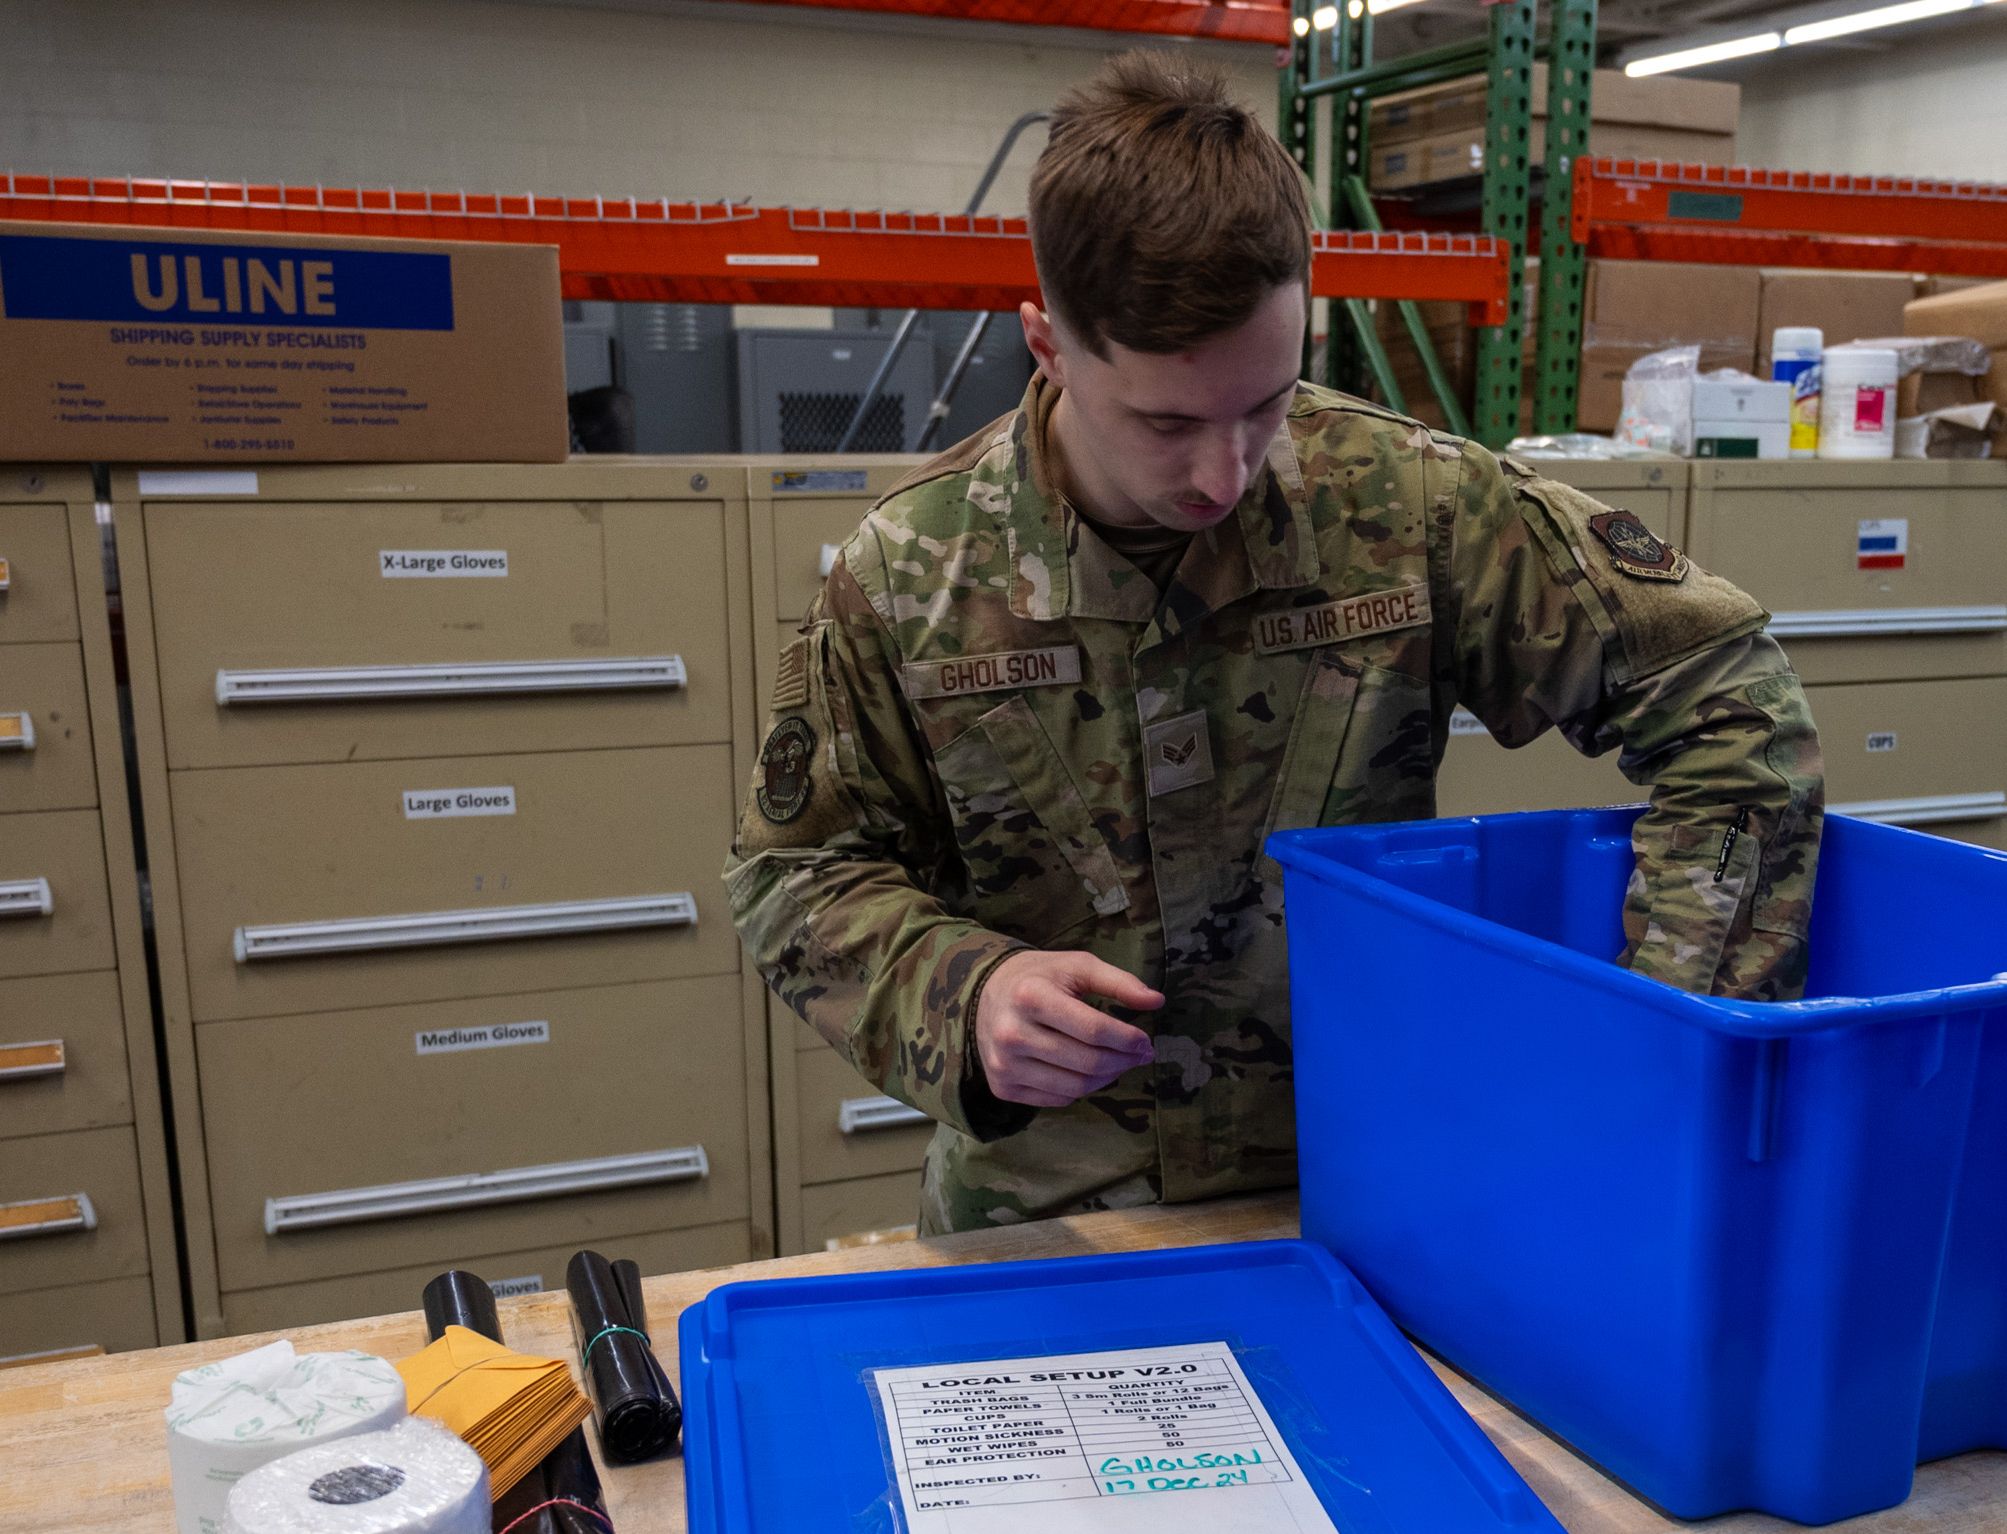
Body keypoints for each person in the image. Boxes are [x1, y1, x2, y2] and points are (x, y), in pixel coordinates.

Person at [729, 51, 1822, 1235]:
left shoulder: (1406, 506)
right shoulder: (912, 575)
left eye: (1266, 402)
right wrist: (965, 988)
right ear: (1045, 343)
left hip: (1373, 1191)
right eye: (1166, 419)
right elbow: (795, 872)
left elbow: (1730, 702)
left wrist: (1670, 1039)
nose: (1224, 470)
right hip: (1054, 1217)